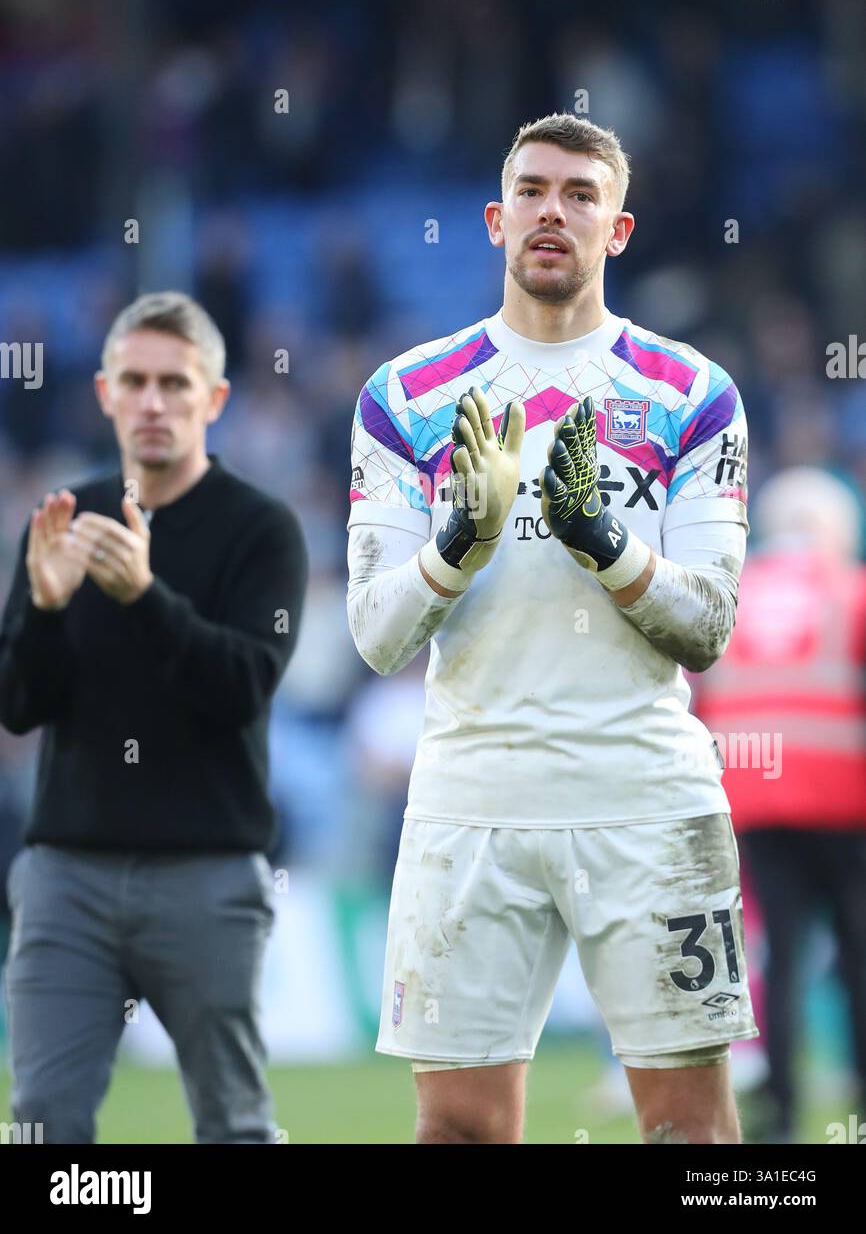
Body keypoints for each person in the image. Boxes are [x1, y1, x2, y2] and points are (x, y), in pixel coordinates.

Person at [346, 113, 758, 1144]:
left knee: (688, 1133)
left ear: (616, 229)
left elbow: (706, 626)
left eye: (580, 195)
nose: (551, 211)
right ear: (493, 220)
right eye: (530, 190)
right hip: (468, 799)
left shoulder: (691, 394)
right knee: (457, 1131)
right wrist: (457, 544)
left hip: (646, 797)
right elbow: (375, 635)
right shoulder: (406, 397)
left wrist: (602, 542)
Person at [0, 292, 308, 1144]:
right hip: (66, 871)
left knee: (234, 1124)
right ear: (103, 393)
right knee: (41, 1122)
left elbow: (244, 684)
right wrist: (47, 608)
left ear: (214, 399)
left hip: (207, 872)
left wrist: (143, 596)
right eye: (133, 381)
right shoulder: (63, 519)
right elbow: (18, 705)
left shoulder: (262, 530)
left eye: (176, 383)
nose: (152, 401)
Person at [694, 467, 866, 1142]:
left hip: (752, 799)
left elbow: (698, 702)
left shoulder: (729, 599)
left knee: (782, 954)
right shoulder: (850, 591)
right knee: (856, 954)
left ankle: (782, 1113)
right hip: (845, 799)